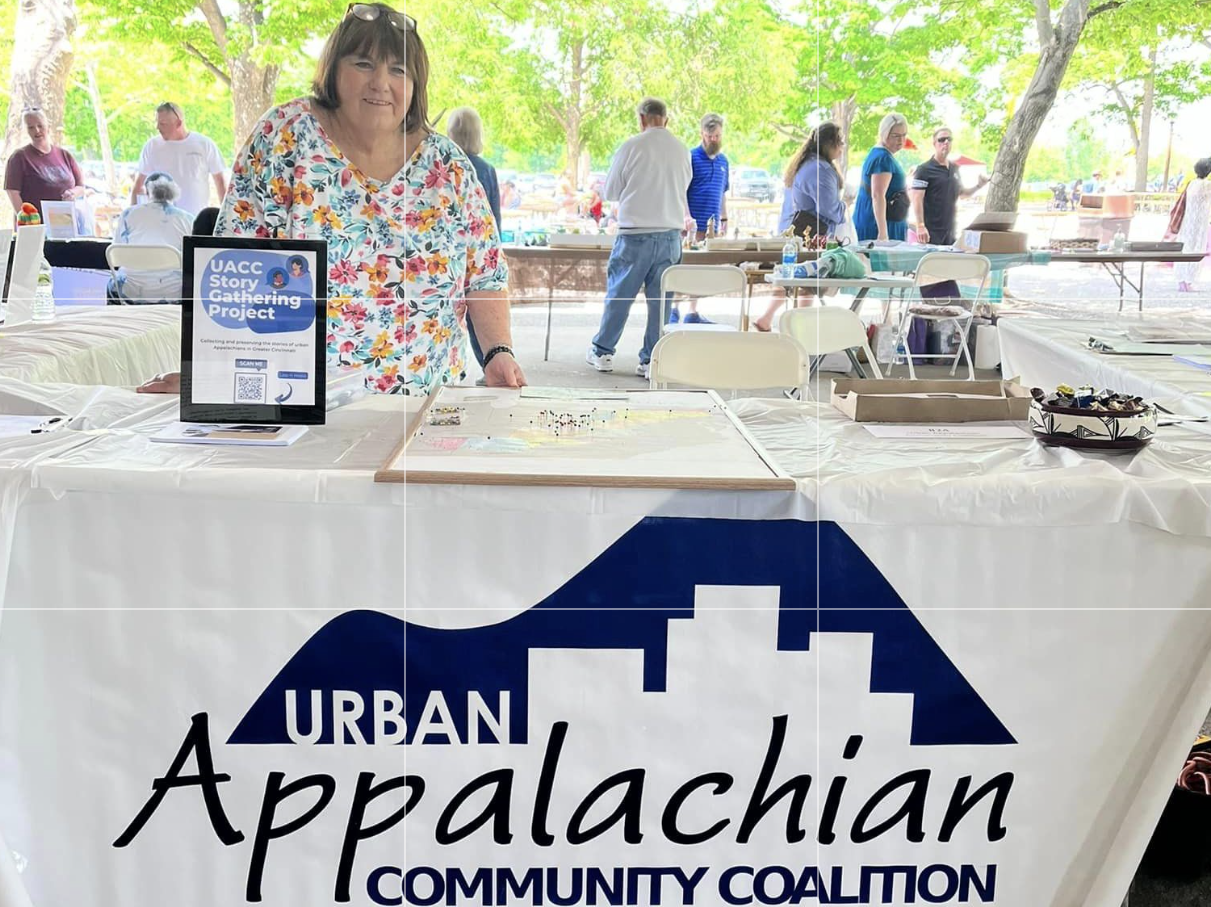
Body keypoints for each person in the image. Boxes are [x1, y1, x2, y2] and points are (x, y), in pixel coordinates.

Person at [138, 2, 524, 397]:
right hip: (295, 401)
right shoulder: (284, 137)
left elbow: (486, 273)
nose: (380, 82)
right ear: (334, 70)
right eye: (362, 64)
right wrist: (210, 374)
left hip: (427, 406)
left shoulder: (448, 167)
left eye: (398, 70)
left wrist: (498, 352)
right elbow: (233, 270)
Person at [586, 97, 691, 379]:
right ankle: (651, 360)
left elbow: (610, 191)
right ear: (665, 120)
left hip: (635, 234)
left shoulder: (631, 146)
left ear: (641, 119)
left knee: (620, 296)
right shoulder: (682, 150)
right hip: (670, 235)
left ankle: (603, 350)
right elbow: (685, 186)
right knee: (661, 302)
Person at [752, 122, 847, 332]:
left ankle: (778, 322)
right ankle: (799, 329)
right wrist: (844, 207)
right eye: (840, 142)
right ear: (830, 144)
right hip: (808, 236)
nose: (842, 147)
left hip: (794, 231)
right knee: (806, 283)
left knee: (797, 282)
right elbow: (830, 208)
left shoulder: (806, 164)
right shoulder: (820, 169)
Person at [446, 105, 499, 369]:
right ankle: (485, 362)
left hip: (453, 259)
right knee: (481, 313)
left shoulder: (444, 165)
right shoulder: (486, 169)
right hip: (480, 258)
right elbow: (495, 222)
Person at [106, 172, 195, 304]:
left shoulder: (128, 214)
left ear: (147, 193)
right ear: (174, 193)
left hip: (130, 288)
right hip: (175, 291)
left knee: (113, 282)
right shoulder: (188, 219)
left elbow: (117, 255)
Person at [676, 112, 731, 325]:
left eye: (716, 136)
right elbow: (681, 191)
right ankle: (674, 309)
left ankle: (692, 312)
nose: (713, 140)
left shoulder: (724, 161)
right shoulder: (690, 157)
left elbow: (722, 194)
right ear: (702, 134)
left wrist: (724, 220)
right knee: (684, 268)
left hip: (712, 227)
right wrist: (686, 216)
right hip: (689, 227)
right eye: (709, 136)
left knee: (701, 272)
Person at [130, 103, 228, 216]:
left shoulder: (204, 144)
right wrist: (132, 217)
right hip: (162, 221)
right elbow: (138, 186)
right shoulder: (152, 146)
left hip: (195, 220)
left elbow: (220, 182)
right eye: (157, 122)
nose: (157, 127)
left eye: (163, 124)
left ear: (178, 123)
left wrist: (225, 217)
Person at [908, 127, 989, 246]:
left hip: (950, 231)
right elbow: (916, 199)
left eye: (949, 139)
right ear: (934, 144)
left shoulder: (954, 168)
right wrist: (920, 226)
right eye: (941, 139)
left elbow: (962, 194)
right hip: (931, 232)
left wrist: (979, 186)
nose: (946, 142)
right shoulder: (924, 170)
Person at [4, 107, 86, 221]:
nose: (37, 130)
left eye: (40, 125)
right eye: (31, 127)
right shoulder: (19, 157)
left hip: (66, 222)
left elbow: (81, 186)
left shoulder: (64, 155)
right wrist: (27, 220)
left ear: (48, 126)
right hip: (35, 225)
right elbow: (12, 192)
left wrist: (72, 193)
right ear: (26, 130)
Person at [852, 113, 909, 242]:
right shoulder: (883, 159)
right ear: (884, 134)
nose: (901, 140)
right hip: (878, 225)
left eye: (904, 135)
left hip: (881, 220)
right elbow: (878, 195)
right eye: (896, 136)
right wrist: (883, 234)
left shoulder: (880, 154)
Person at [1176, 158, 1211, 292]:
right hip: (1199, 224)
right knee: (1196, 249)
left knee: (1185, 248)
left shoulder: (1191, 184)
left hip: (1187, 222)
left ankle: (1181, 280)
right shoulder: (1207, 185)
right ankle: (1190, 281)